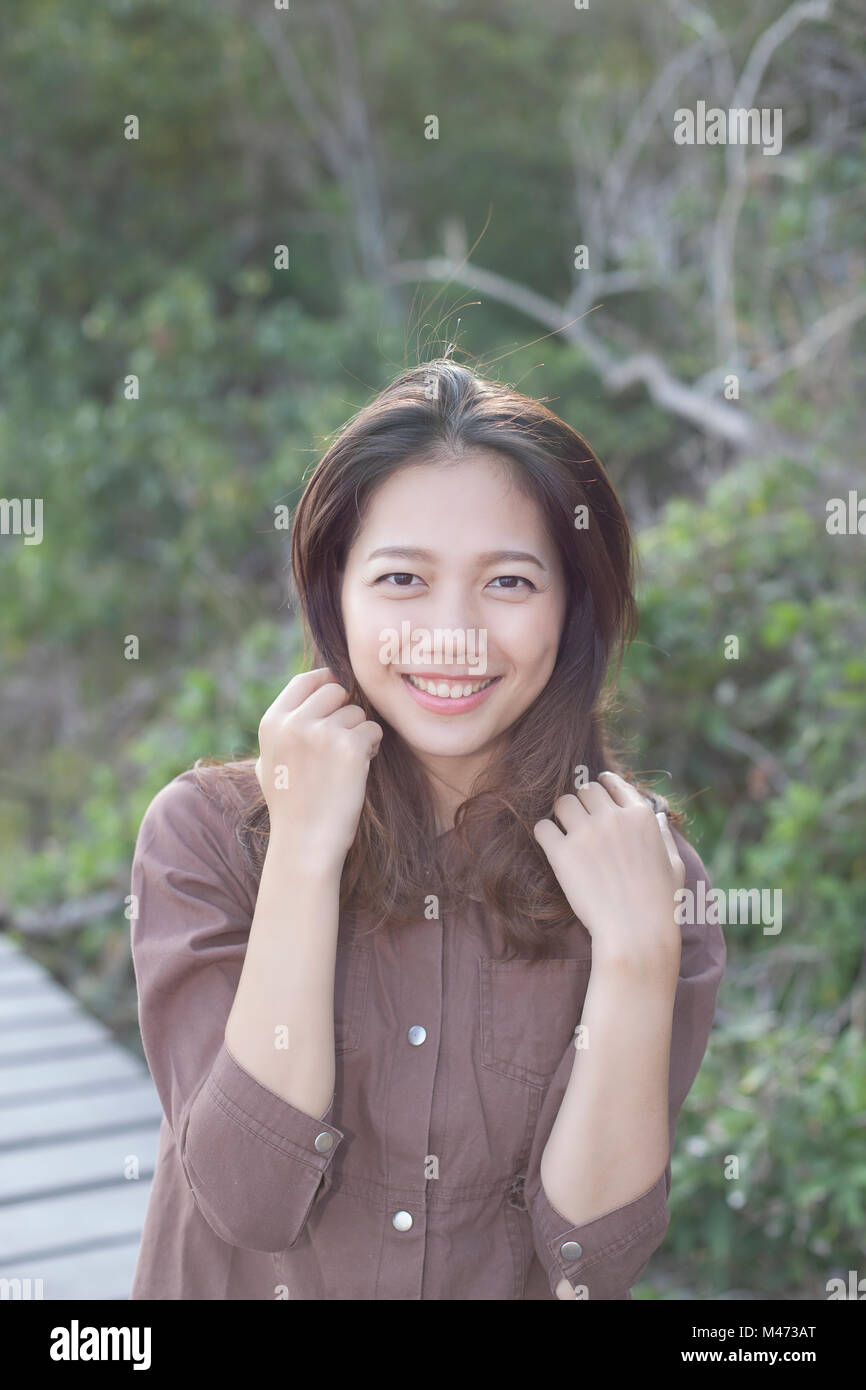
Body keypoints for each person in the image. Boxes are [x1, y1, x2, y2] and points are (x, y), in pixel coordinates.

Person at [129, 359, 725, 1300]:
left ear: (573, 609)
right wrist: (304, 855)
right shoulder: (206, 837)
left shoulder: (642, 874)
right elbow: (250, 1202)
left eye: (510, 583)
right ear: (337, 594)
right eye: (403, 576)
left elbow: (591, 1261)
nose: (452, 633)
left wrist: (641, 952)